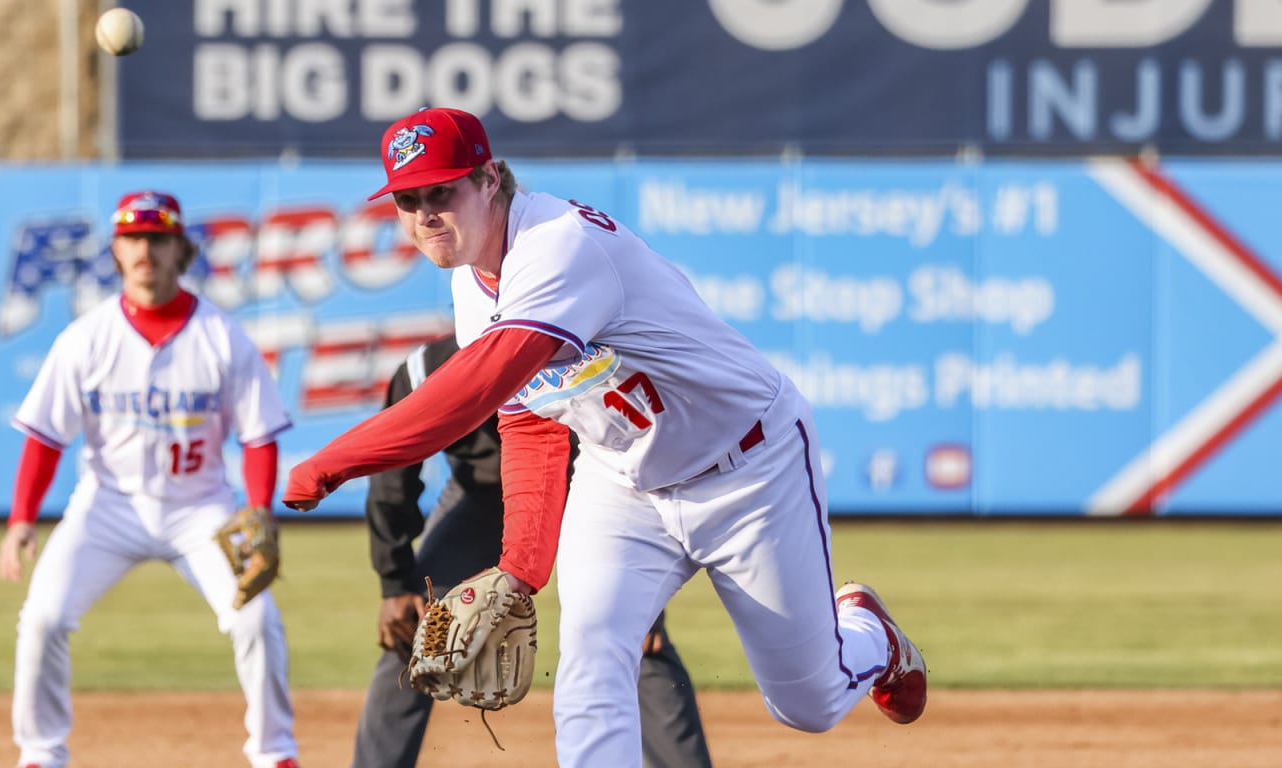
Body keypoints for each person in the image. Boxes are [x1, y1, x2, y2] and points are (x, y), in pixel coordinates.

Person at [282, 108, 928, 766]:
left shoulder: (558, 244)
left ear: (490, 179)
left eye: (442, 191)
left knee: (808, 704)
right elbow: (528, 421)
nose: (425, 214)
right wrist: (520, 569)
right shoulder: (471, 287)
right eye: (408, 200)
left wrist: (335, 461)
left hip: (748, 470)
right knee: (589, 669)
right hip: (622, 479)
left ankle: (870, 634)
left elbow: (471, 390)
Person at [0, 190, 301, 768]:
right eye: (133, 238)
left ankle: (275, 753)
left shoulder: (221, 335)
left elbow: (259, 436)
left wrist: (257, 511)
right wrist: (19, 519)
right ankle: (40, 754)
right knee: (42, 618)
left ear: (179, 249)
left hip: (202, 509)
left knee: (258, 617)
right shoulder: (85, 338)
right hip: (108, 507)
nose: (145, 249)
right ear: (115, 249)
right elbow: (45, 438)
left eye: (157, 238)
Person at [352, 335, 713, 768]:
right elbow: (391, 475)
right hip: (482, 499)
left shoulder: (580, 362)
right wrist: (395, 583)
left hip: (588, 491)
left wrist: (646, 601)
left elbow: (639, 463)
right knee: (420, 628)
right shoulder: (427, 371)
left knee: (632, 629)